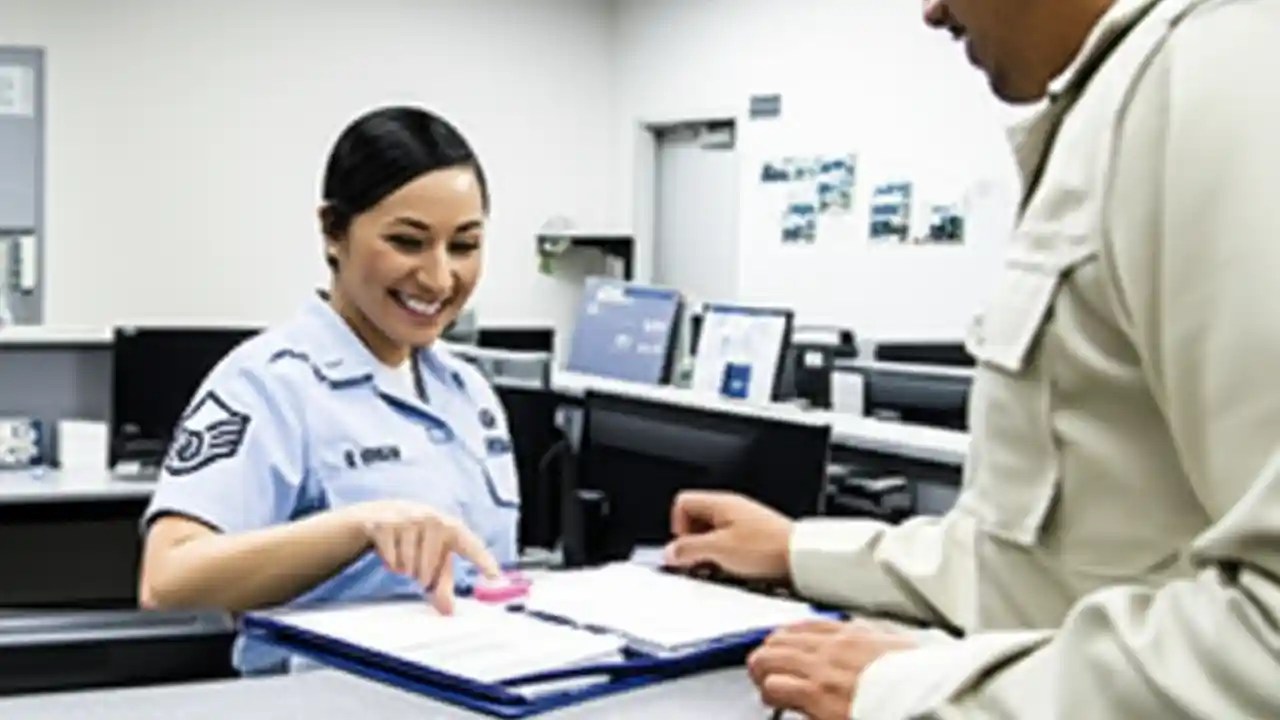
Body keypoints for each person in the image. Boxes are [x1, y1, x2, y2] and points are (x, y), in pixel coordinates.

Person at [665, 0, 1280, 717]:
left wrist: (912, 690)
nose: (931, 11)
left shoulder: (1228, 67)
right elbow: (1044, 560)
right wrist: (800, 549)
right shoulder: (1116, 101)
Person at [137, 106, 518, 675]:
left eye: (463, 246)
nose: (439, 278)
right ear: (333, 231)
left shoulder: (470, 393)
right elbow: (169, 578)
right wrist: (358, 527)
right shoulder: (268, 385)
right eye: (408, 242)